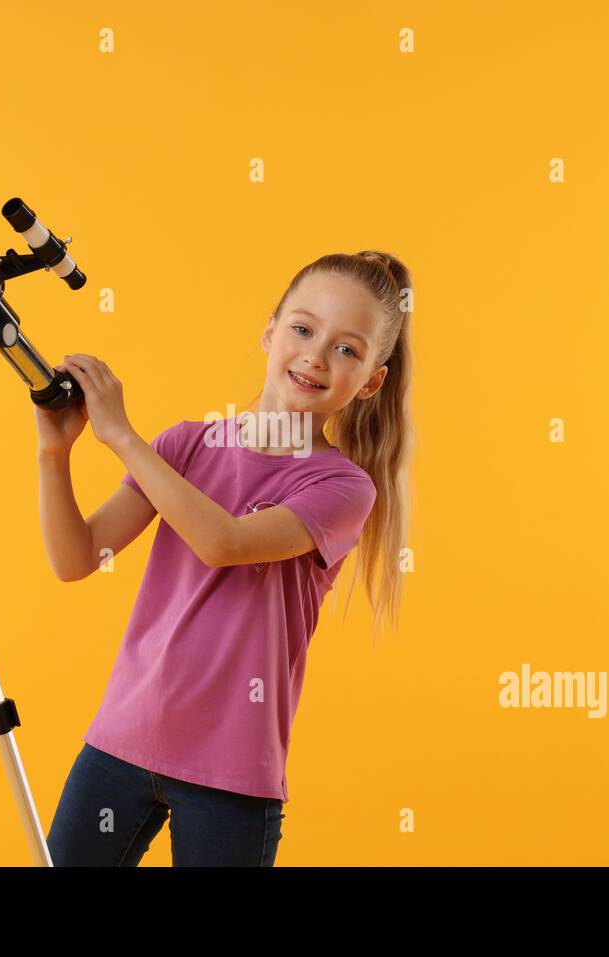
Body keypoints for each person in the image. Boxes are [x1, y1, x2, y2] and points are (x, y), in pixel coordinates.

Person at [34, 251, 415, 865]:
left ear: (372, 380)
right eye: (303, 328)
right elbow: (77, 557)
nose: (317, 356)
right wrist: (54, 454)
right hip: (119, 743)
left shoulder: (342, 488)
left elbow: (224, 544)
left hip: (231, 770)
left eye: (348, 349)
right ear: (270, 330)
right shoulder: (186, 444)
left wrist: (122, 436)